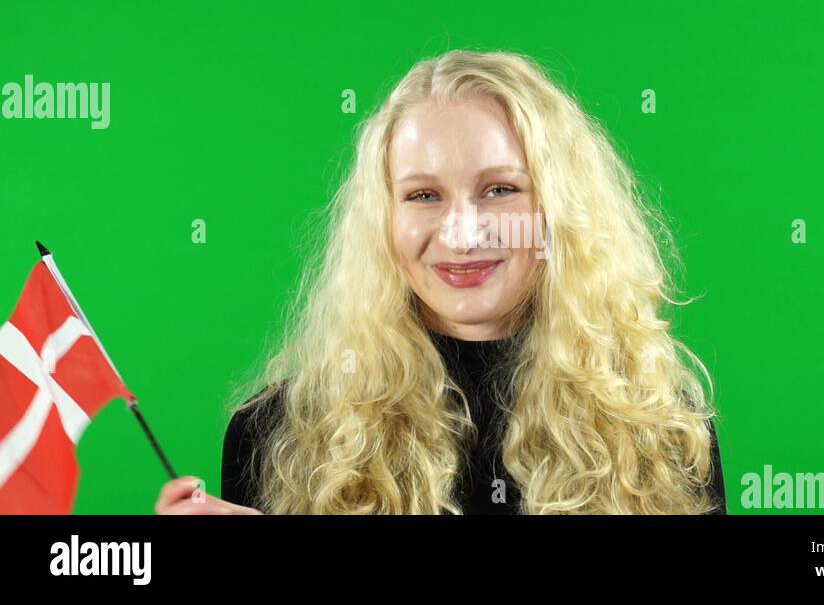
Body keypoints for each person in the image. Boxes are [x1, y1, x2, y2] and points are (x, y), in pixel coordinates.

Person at [155, 49, 726, 515]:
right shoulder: (276, 433)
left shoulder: (661, 428)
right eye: (423, 196)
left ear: (559, 211)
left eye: (500, 190)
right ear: (385, 221)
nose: (460, 232)